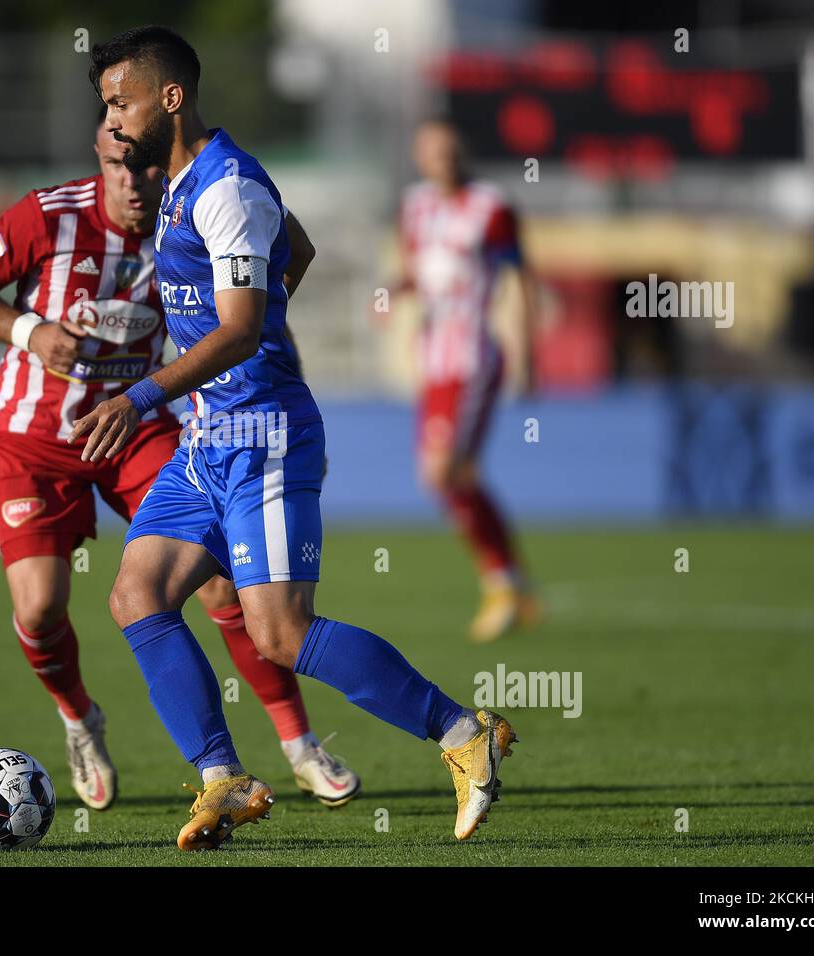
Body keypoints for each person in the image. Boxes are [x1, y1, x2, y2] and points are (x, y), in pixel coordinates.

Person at [74, 25, 518, 851]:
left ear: (171, 97)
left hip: (264, 438)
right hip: (209, 442)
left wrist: (145, 394)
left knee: (277, 630)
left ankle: (464, 732)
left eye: (121, 102)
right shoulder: (183, 184)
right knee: (137, 595)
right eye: (106, 106)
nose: (113, 121)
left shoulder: (224, 187)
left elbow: (240, 328)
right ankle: (224, 779)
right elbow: (298, 246)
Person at [0, 108, 360, 812]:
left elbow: (294, 247)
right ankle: (80, 718)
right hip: (36, 437)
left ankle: (298, 743)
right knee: (42, 607)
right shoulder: (46, 217)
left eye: (144, 167)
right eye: (118, 167)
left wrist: (251, 320)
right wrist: (31, 330)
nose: (134, 184)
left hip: (141, 429)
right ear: (98, 160)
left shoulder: (199, 202)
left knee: (224, 589)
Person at [382, 117, 542, 642]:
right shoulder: (416, 207)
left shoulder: (490, 208)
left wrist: (527, 350)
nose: (443, 161)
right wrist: (392, 293)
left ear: (462, 153)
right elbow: (417, 270)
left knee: (440, 473)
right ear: (421, 158)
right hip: (434, 361)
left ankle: (502, 584)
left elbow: (520, 276)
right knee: (456, 478)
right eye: (432, 153)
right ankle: (512, 584)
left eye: (451, 151)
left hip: (473, 359)